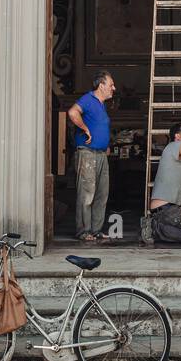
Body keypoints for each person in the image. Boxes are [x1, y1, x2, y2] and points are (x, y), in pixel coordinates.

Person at [68, 70, 116, 243]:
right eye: (111, 85)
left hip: (101, 154)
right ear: (101, 85)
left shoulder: (101, 104)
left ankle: (96, 230)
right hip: (88, 153)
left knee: (101, 194)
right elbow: (73, 112)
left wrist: (106, 145)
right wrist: (84, 128)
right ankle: (83, 231)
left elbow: (100, 126)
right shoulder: (88, 99)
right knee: (86, 194)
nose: (113, 88)